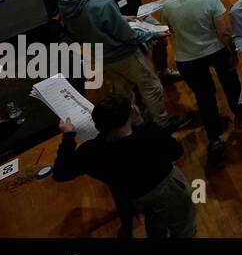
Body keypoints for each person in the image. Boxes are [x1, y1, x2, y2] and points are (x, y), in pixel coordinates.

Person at [53, 95, 196, 239]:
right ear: (131, 116)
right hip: (167, 191)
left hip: (133, 196)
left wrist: (68, 137)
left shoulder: (91, 151)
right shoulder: (149, 136)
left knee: (154, 220)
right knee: (183, 227)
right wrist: (141, 123)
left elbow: (61, 174)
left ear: (97, 125)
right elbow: (176, 152)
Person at [58, 0, 180, 127]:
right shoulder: (103, 4)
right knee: (151, 86)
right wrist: (153, 33)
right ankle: (163, 123)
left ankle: (132, 124)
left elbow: (88, 22)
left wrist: (121, 18)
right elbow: (128, 36)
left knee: (123, 94)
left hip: (101, 55)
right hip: (123, 55)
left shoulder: (66, 3)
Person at [157, 0, 242, 157]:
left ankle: (214, 136)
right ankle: (239, 108)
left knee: (204, 96)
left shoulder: (169, 5)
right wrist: (232, 52)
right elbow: (224, 31)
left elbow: (166, 30)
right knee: (229, 81)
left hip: (188, 58)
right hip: (216, 50)